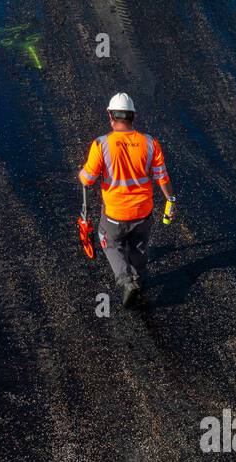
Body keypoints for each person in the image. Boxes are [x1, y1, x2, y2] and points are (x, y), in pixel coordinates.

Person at [78, 92, 175, 307]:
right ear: (133, 117)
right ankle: (139, 279)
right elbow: (162, 177)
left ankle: (125, 280)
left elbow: (88, 179)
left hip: (115, 215)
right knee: (139, 246)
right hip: (143, 213)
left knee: (110, 243)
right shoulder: (150, 143)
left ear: (111, 117)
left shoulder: (101, 144)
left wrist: (81, 175)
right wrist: (171, 199)